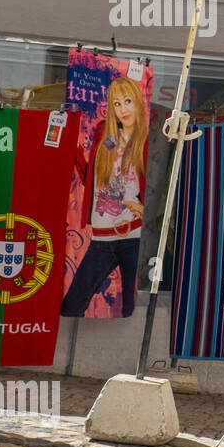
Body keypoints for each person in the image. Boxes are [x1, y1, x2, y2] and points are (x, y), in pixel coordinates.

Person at [62, 75, 148, 318]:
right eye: (117, 103)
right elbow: (94, 175)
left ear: (138, 102)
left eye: (128, 101)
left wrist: (143, 207)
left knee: (132, 308)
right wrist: (76, 153)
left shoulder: (146, 139)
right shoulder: (107, 134)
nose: (123, 109)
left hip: (133, 235)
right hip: (101, 237)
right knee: (72, 305)